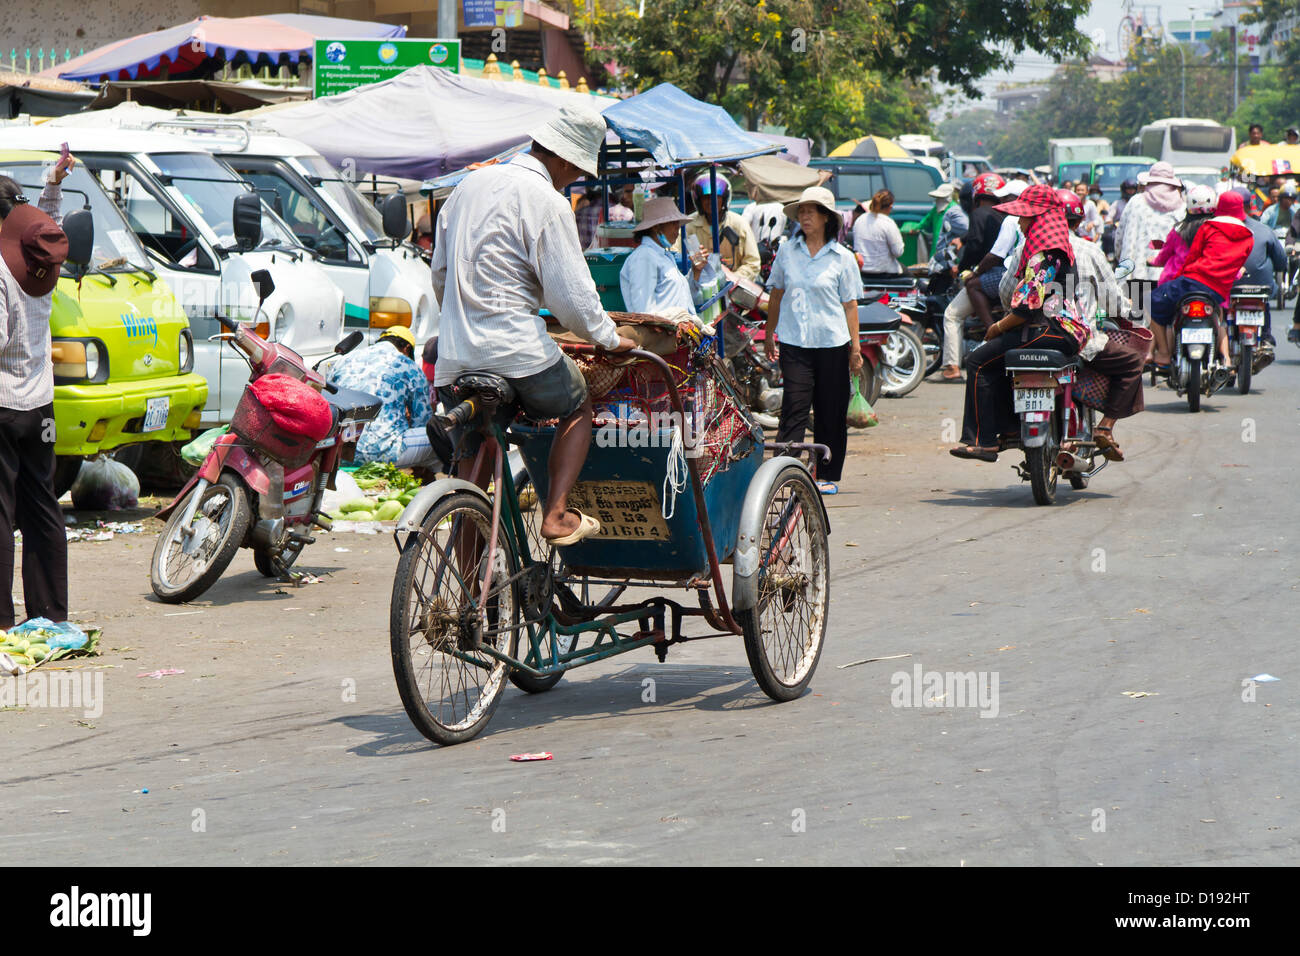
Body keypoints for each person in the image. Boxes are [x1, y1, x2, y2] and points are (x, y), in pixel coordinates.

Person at [431, 105, 636, 544]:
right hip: (515, 351)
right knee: (576, 404)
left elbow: (441, 276)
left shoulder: (468, 186)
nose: (573, 179)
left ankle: (464, 598)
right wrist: (609, 338)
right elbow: (573, 302)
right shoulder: (547, 201)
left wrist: (461, 322)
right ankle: (558, 514)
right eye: (577, 171)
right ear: (564, 159)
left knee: (474, 479)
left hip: (455, 354)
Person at [950, 184, 1092, 461]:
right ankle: (1013, 428)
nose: (1021, 223)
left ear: (1039, 218)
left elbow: (1028, 307)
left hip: (1049, 330)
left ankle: (983, 440)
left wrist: (997, 327)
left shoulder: (1044, 252)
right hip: (1060, 331)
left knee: (978, 361)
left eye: (1025, 217)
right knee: (1000, 361)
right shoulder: (1056, 246)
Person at [0, 151, 75, 630]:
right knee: (43, 507)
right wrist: (52, 185)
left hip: (4, 406)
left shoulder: (2, 271)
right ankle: (51, 613)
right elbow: (51, 228)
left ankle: (2, 621)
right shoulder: (42, 261)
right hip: (40, 405)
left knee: (1, 514)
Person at [763, 186, 863, 495]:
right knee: (794, 405)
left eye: (811, 211)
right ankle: (786, 471)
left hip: (833, 344)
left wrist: (856, 349)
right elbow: (776, 294)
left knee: (830, 410)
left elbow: (850, 305)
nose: (805, 216)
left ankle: (827, 474)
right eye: (801, 211)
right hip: (794, 343)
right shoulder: (786, 252)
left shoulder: (842, 258)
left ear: (825, 218)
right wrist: (769, 333)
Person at [1148, 191, 1254, 373]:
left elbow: (1193, 257)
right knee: (1220, 321)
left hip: (1193, 281)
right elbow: (1238, 264)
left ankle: (1164, 353)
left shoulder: (1208, 228)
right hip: (1218, 291)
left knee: (1150, 302)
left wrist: (1181, 276)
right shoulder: (1248, 237)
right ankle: (1225, 359)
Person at [327, 326, 433, 465]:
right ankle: (432, 481)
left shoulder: (345, 359)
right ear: (407, 348)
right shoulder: (409, 366)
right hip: (385, 453)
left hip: (341, 453)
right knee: (439, 435)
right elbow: (422, 420)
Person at [939, 172, 1006, 381]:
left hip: (990, 276)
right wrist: (962, 238)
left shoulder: (978, 214)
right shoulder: (1004, 214)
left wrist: (962, 267)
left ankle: (952, 367)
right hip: (1009, 276)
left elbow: (977, 244)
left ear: (976, 194)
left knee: (952, 315)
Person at [619, 197, 703, 315]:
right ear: (656, 227)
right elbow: (644, 312)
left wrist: (696, 271)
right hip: (664, 332)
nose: (677, 228)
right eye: (673, 223)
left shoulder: (664, 256)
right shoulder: (644, 256)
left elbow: (682, 297)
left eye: (677, 223)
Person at [1116, 162, 1185, 300]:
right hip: (1169, 275)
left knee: (1136, 317)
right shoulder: (1182, 206)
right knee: (1165, 318)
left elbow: (1120, 236)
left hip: (1136, 273)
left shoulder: (1136, 202)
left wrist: (1120, 258)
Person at [684, 172, 761, 280]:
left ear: (724, 199)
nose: (711, 202)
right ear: (699, 201)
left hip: (734, 288)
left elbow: (753, 263)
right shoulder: (689, 225)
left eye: (716, 197)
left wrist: (732, 279)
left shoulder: (738, 224)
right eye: (706, 197)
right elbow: (679, 256)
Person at [1239, 195, 1286, 349]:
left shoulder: (1215, 228)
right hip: (1261, 287)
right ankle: (1266, 335)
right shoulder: (1264, 229)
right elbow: (1280, 260)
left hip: (1231, 286)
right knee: (1262, 298)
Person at [1151, 185, 1217, 284]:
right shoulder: (1219, 230)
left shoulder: (1178, 230)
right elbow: (1225, 258)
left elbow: (1164, 256)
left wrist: (1153, 261)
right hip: (1210, 285)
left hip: (1176, 285)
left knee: (1150, 298)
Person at [853, 188, 905, 278]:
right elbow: (898, 252)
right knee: (912, 277)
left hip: (862, 271)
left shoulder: (860, 220)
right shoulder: (888, 223)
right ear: (890, 206)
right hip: (884, 272)